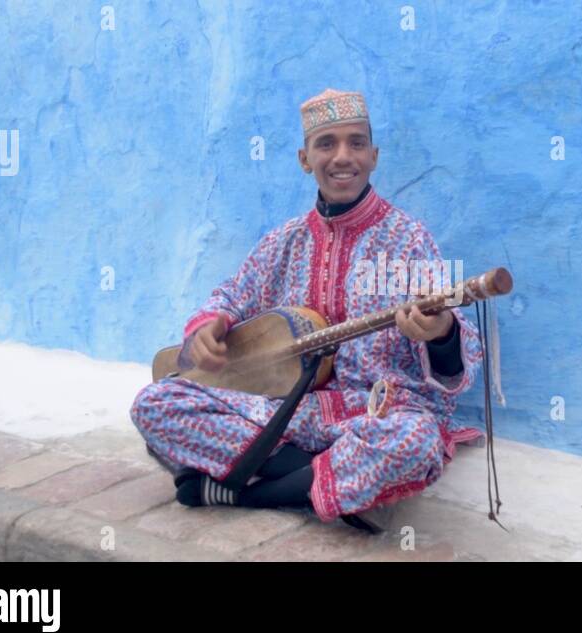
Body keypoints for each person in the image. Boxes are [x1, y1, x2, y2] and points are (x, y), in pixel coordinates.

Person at [129, 89, 485, 533]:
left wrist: (441, 331)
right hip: (289, 411)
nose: (343, 156)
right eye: (326, 143)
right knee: (156, 402)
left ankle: (245, 491)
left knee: (414, 443)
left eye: (356, 143)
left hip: (376, 414)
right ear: (304, 158)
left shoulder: (408, 241)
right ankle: (327, 480)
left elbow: (453, 347)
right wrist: (211, 324)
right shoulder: (284, 241)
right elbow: (233, 293)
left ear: (374, 156)